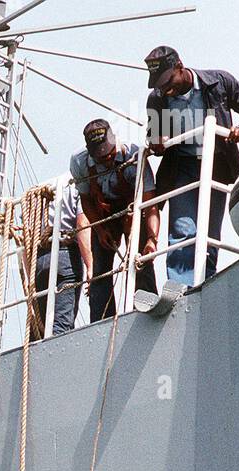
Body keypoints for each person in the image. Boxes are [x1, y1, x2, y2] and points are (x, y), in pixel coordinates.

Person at [145, 46, 239, 283]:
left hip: (217, 165)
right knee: (182, 229)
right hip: (182, 166)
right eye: (159, 84)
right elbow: (153, 132)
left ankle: (205, 282)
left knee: (209, 232)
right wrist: (155, 141)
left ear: (180, 67)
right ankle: (180, 286)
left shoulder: (219, 81)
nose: (165, 89)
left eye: (168, 81)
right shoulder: (158, 98)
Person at [70, 119, 160, 322]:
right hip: (103, 215)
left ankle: (147, 304)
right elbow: (86, 199)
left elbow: (151, 202)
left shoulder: (134, 155)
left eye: (109, 154)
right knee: (100, 270)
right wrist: (100, 230)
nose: (106, 159)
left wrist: (152, 240)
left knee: (141, 259)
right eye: (100, 157)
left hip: (133, 209)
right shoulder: (79, 162)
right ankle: (101, 319)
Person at [34, 179, 93, 336]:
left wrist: (28, 278)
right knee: (61, 325)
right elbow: (82, 224)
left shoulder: (40, 192)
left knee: (40, 324)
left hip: (39, 260)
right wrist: (90, 265)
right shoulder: (78, 184)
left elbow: (28, 239)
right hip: (66, 255)